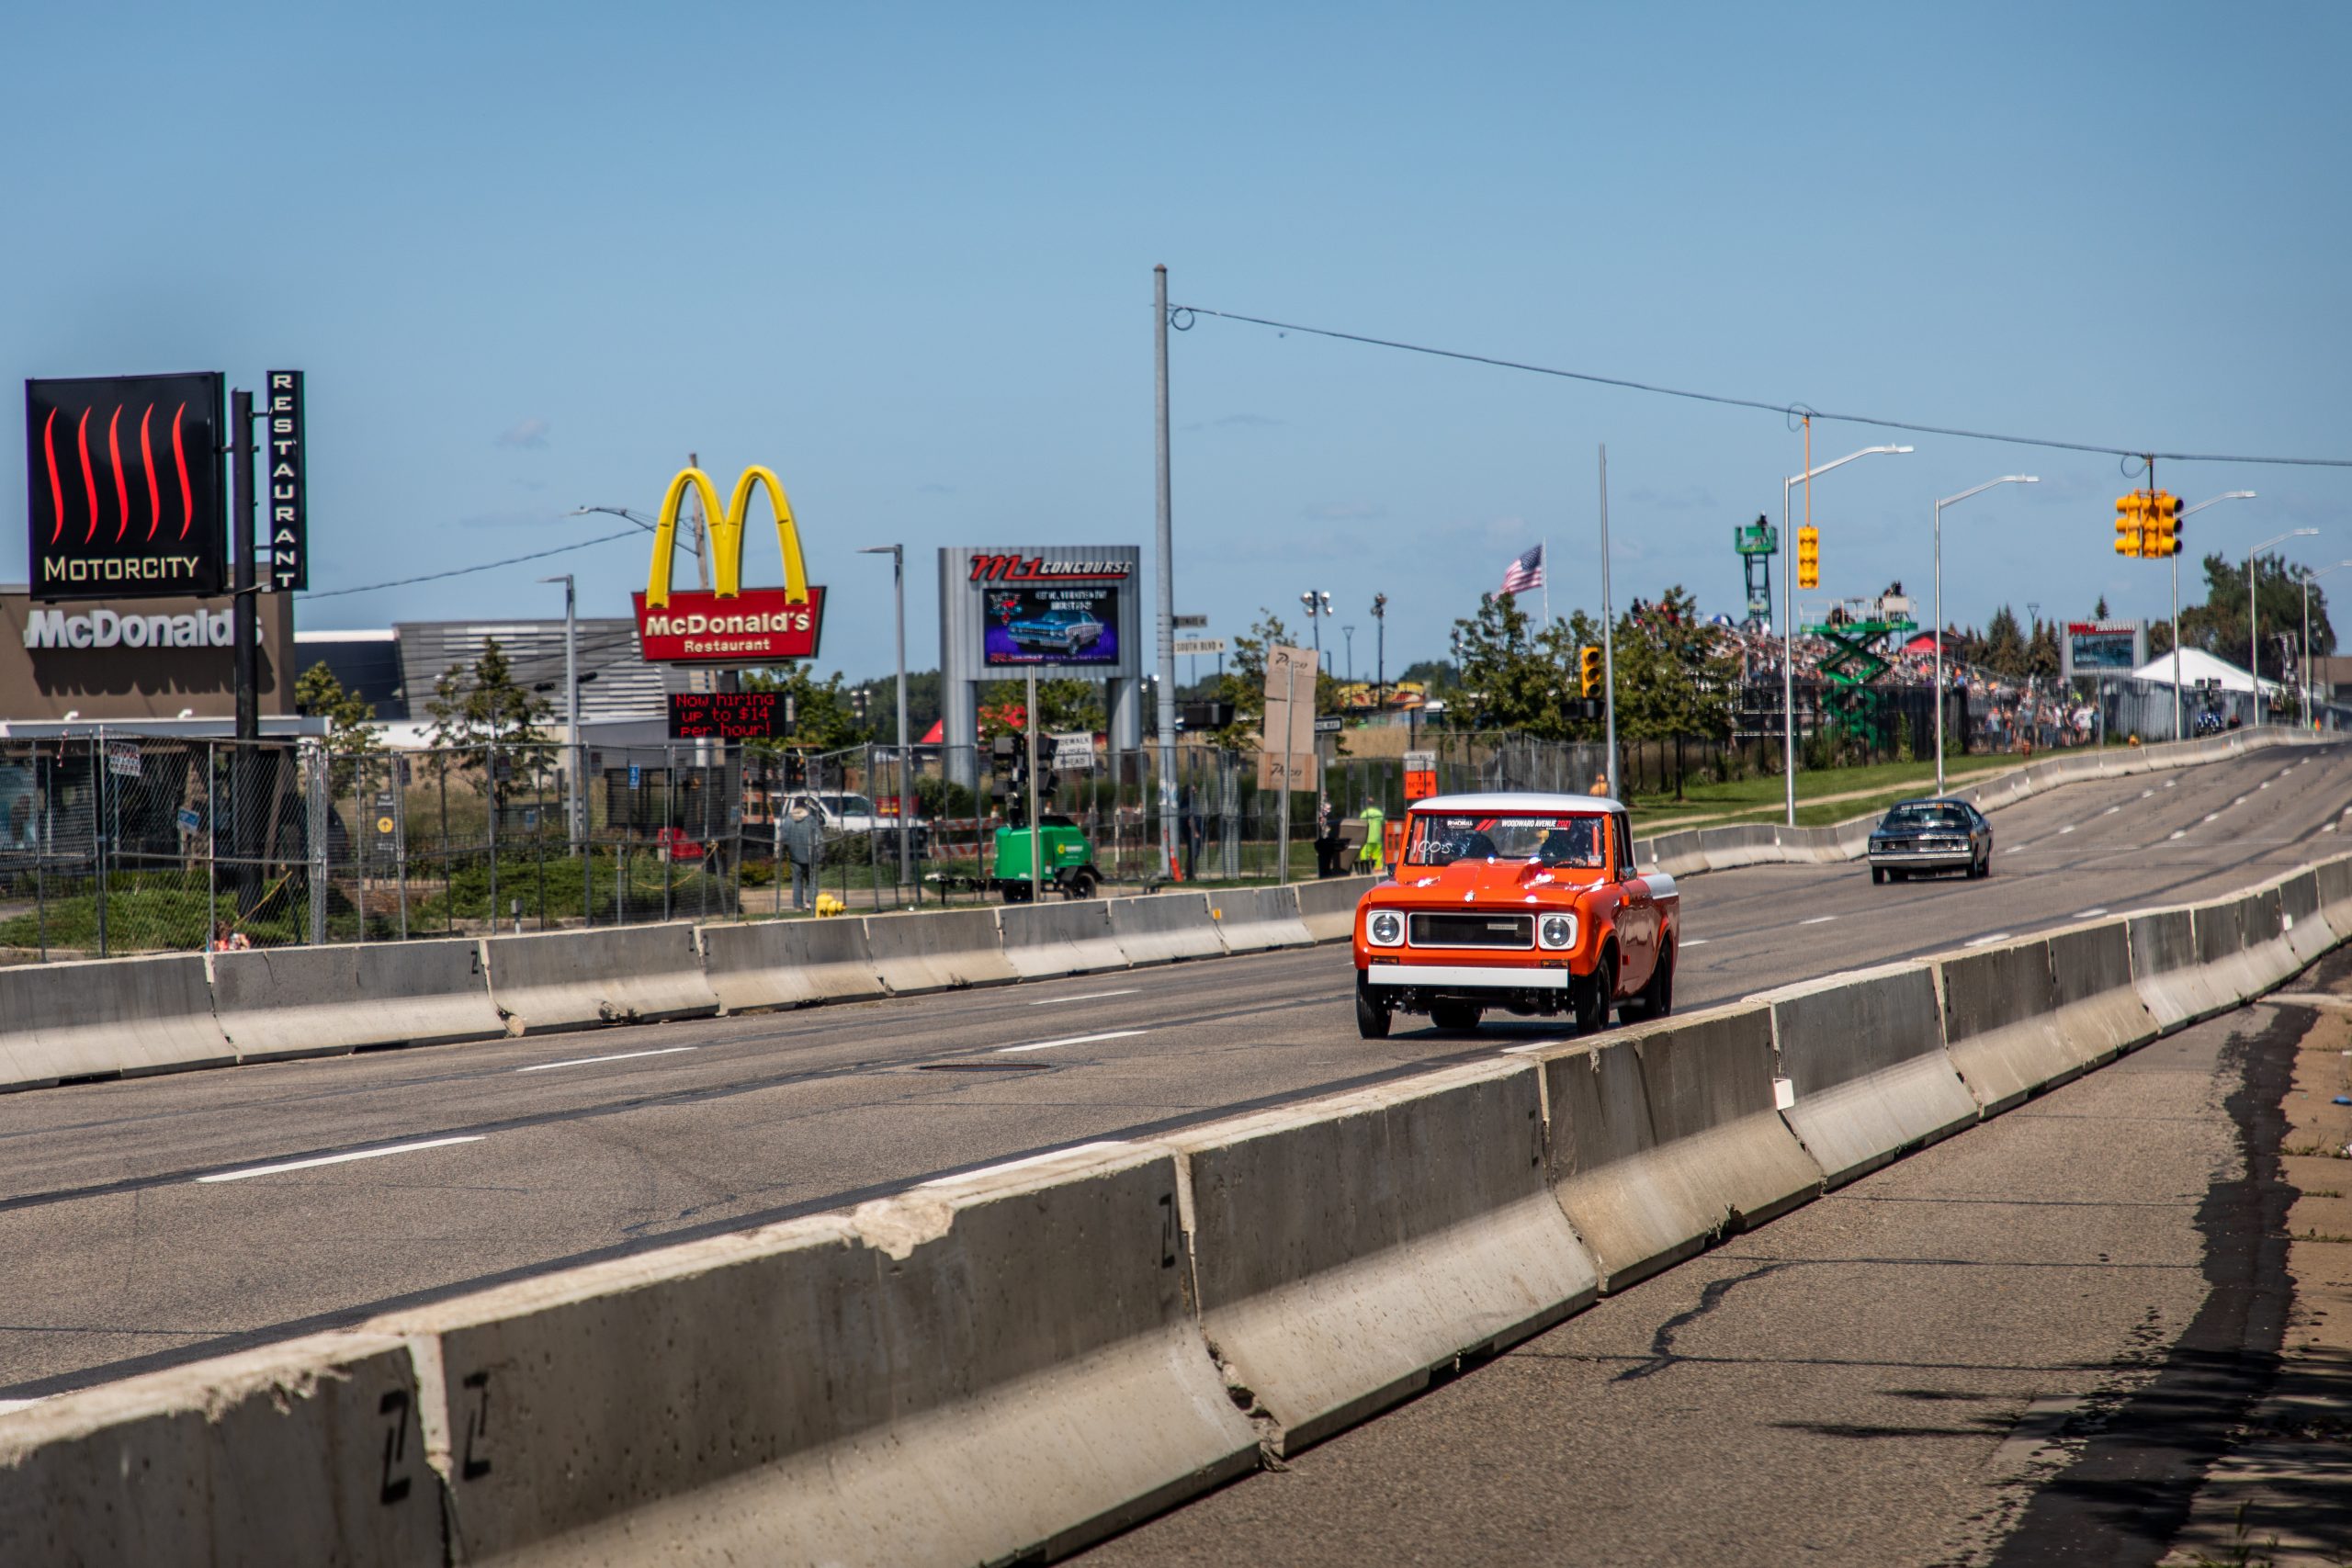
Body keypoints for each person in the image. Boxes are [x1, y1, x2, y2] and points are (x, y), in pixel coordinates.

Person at [782, 799, 822, 913]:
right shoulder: (810, 819)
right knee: (811, 880)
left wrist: (784, 852)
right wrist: (820, 853)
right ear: (805, 807)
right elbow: (818, 837)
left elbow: (784, 838)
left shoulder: (788, 820)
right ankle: (810, 903)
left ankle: (798, 906)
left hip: (794, 856)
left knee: (797, 881)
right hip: (810, 855)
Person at [1179, 783, 1204, 881]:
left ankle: (1190, 874)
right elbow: (1190, 820)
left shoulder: (1189, 802)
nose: (1196, 793)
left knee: (1193, 852)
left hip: (1191, 831)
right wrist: (1195, 832)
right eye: (1193, 791)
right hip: (1191, 832)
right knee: (1194, 852)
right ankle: (1190, 875)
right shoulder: (1188, 803)